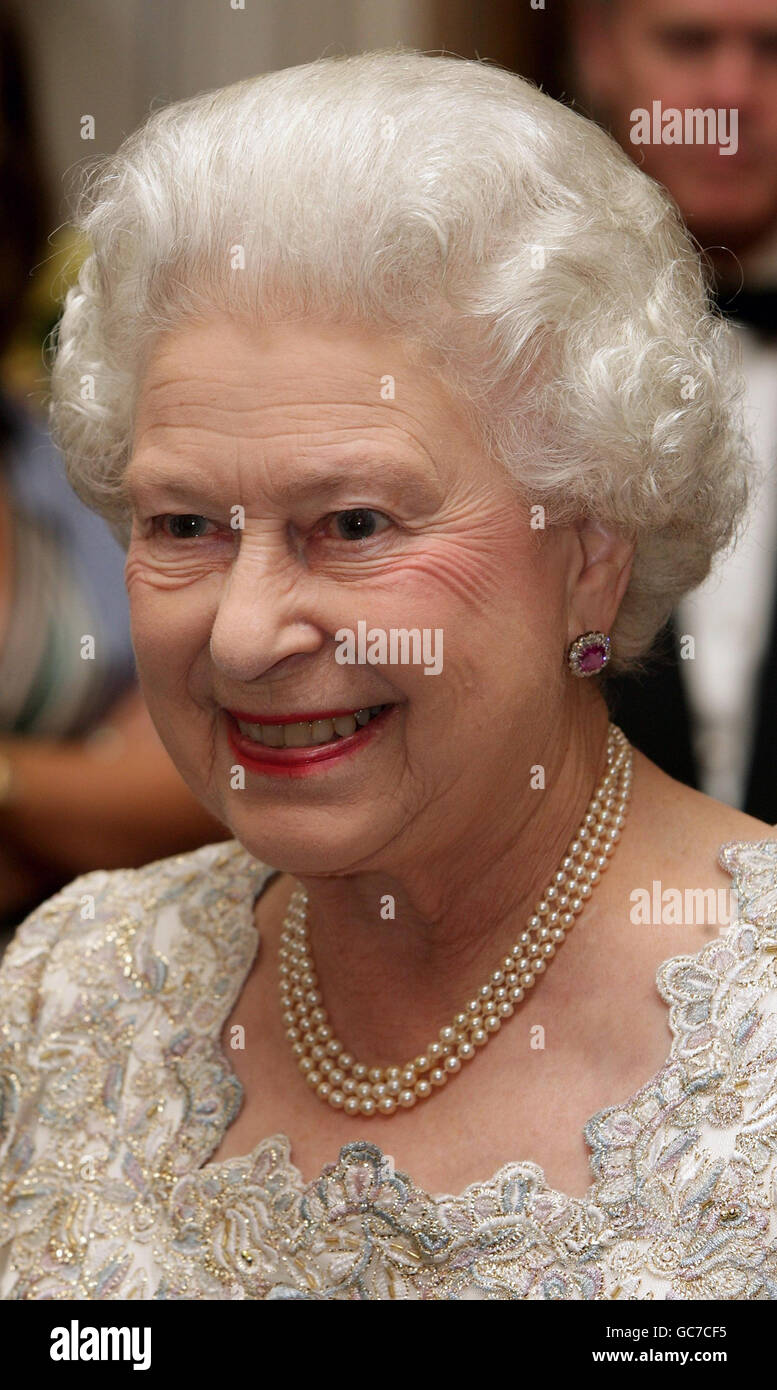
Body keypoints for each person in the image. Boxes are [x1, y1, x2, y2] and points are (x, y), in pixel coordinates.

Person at [1, 48, 776, 1301]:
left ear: (589, 548)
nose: (245, 636)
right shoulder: (68, 990)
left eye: (353, 525)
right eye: (184, 525)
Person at [571, 0, 777, 821]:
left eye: (771, 47)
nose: (732, 90)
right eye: (689, 42)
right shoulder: (483, 341)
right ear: (598, 48)